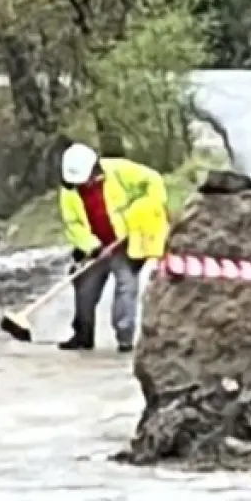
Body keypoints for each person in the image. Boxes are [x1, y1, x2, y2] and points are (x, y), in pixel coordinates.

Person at [55, 142, 170, 353]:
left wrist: (146, 210)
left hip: (125, 242)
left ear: (94, 168)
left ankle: (125, 338)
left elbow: (153, 180)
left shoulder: (119, 171)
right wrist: (92, 246)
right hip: (95, 246)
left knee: (126, 287)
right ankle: (83, 335)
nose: (84, 184)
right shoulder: (69, 191)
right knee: (84, 290)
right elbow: (73, 224)